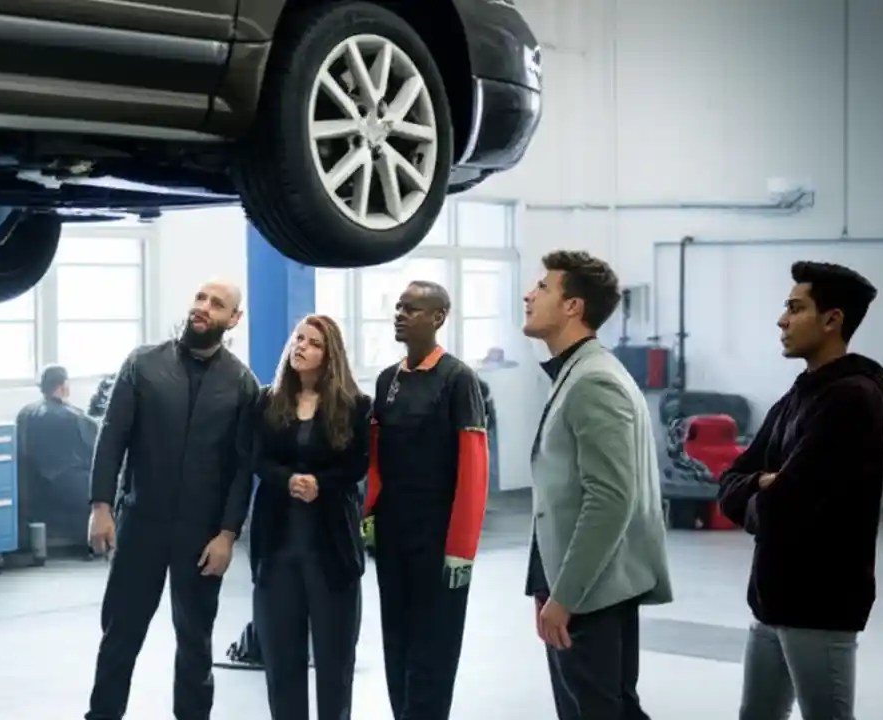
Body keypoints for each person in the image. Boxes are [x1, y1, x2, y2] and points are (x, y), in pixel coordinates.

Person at [717, 261, 883, 720]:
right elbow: (732, 480)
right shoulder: (799, 395)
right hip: (772, 601)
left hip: (820, 604)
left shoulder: (853, 399)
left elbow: (784, 507)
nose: (782, 319)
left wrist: (762, 494)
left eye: (796, 308)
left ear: (832, 319)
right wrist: (759, 483)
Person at [84, 280, 261, 720]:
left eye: (217, 305)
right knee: (120, 634)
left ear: (232, 320)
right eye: (200, 298)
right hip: (140, 522)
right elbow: (112, 437)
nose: (203, 308)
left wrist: (227, 535)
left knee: (196, 641)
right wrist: (101, 506)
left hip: (201, 534)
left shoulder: (241, 384)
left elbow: (243, 469)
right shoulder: (143, 364)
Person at [520, 250, 672, 720]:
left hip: (591, 589)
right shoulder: (578, 372)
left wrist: (565, 596)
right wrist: (544, 586)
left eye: (543, 287)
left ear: (573, 307)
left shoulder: (593, 381)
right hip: (579, 582)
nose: (529, 293)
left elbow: (609, 500)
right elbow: (559, 495)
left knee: (597, 711)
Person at [361, 280, 490, 720]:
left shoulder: (458, 379)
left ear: (438, 318)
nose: (400, 314)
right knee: (396, 639)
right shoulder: (387, 380)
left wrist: (462, 549)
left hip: (438, 537)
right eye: (398, 307)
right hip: (394, 534)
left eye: (412, 309)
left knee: (433, 646)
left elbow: (474, 467)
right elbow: (377, 456)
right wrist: (369, 514)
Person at [249, 314, 370, 720]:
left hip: (331, 550)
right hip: (277, 548)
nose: (301, 346)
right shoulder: (267, 401)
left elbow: (357, 465)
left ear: (329, 355)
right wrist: (287, 480)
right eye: (298, 338)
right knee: (282, 664)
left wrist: (321, 483)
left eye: (314, 342)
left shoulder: (355, 406)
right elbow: (255, 456)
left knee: (335, 665)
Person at [15, 365, 99, 554]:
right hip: (69, 480)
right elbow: (95, 450)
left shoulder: (26, 413)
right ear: (63, 386)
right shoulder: (74, 416)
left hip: (34, 482)